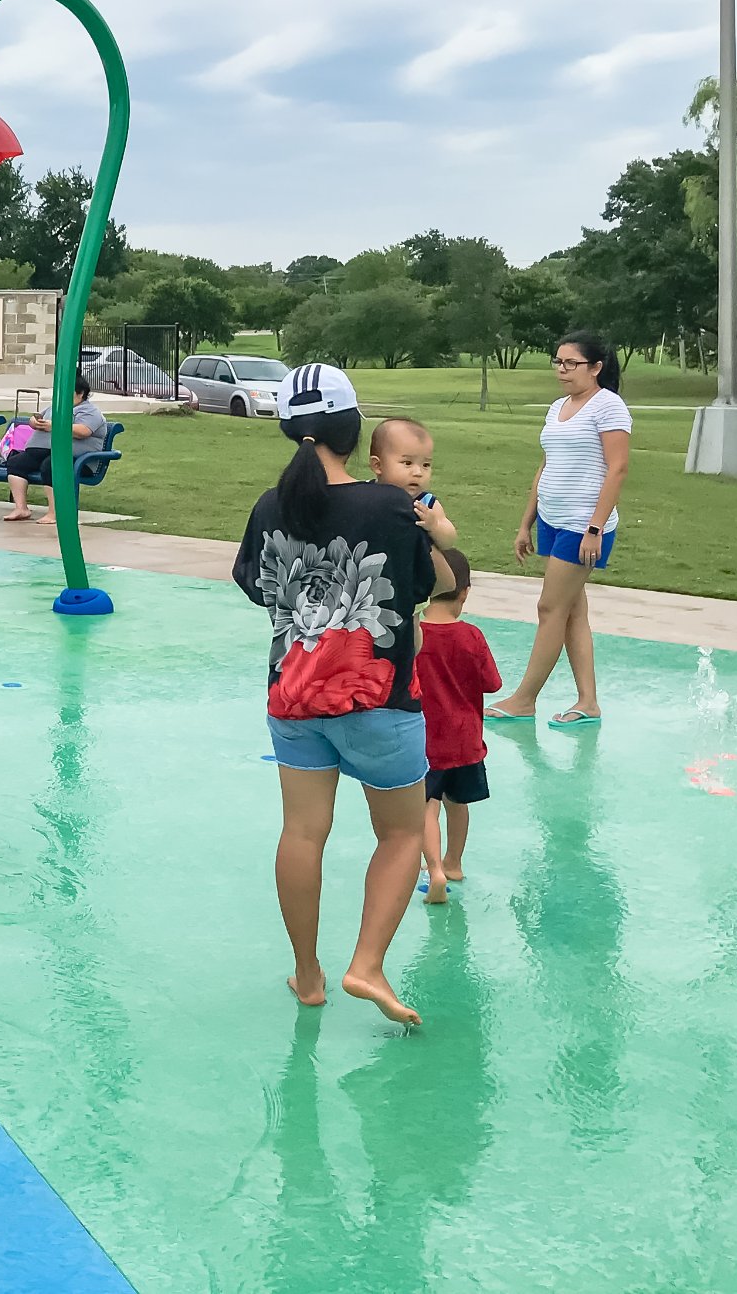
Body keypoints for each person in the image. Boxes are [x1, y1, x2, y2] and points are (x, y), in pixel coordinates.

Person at [231, 363, 451, 1027]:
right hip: (376, 700)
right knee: (401, 833)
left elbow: (255, 584)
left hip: (292, 700)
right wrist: (438, 536)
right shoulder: (387, 505)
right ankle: (367, 964)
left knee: (302, 833)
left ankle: (307, 973)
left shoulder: (271, 506)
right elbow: (430, 586)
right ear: (351, 430)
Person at [488, 332, 632, 730]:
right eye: (558, 362)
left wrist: (595, 528)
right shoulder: (558, 408)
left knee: (550, 608)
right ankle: (588, 702)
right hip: (553, 519)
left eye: (571, 364)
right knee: (571, 612)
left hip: (583, 526)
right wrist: (525, 522)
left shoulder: (609, 407)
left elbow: (617, 469)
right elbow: (546, 465)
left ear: (596, 367)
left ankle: (524, 699)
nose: (562, 370)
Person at [415, 547, 500, 906]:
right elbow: (491, 684)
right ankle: (454, 863)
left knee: (426, 807)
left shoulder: (414, 635)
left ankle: (432, 867)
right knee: (458, 803)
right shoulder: (472, 637)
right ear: (465, 591)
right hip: (466, 741)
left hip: (426, 742)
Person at [2, 376, 106, 523]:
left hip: (80, 462)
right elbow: (36, 418)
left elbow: (84, 431)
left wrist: (55, 426)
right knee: (16, 463)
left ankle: (55, 513)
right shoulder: (56, 407)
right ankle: (21, 508)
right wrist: (35, 422)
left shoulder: (90, 411)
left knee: (51, 465)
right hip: (48, 453)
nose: (62, 396)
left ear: (80, 393)